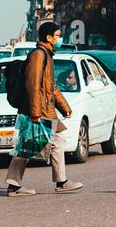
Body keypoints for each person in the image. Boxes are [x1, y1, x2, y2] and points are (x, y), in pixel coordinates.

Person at [5, 21, 83, 196]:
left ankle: (15, 184)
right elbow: (32, 85)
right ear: (48, 38)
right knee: (29, 145)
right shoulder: (38, 55)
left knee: (36, 144)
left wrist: (65, 108)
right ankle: (58, 182)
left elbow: (51, 86)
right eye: (57, 36)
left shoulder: (47, 55)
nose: (59, 39)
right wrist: (35, 113)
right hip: (38, 110)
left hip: (45, 108)